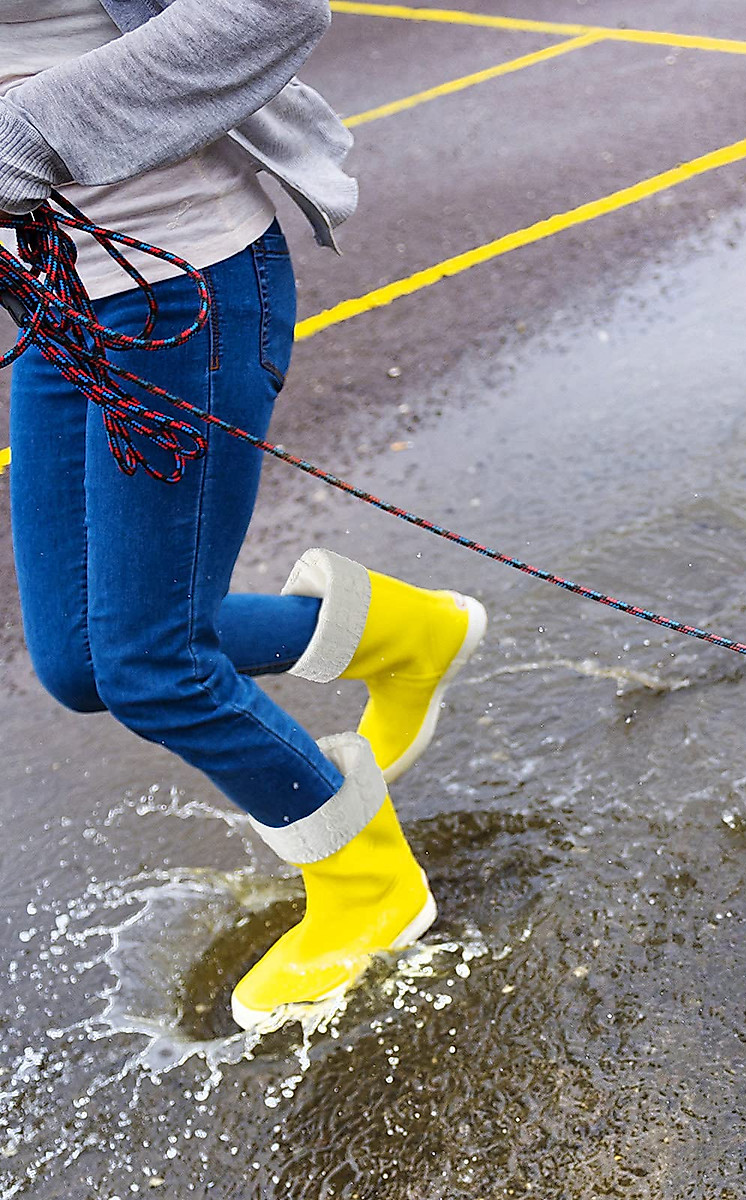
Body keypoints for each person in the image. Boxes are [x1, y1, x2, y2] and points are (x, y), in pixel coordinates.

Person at [0, 0, 486, 1030]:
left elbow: (270, 8)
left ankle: (370, 885)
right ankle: (404, 635)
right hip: (56, 294)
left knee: (151, 663)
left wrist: (24, 136)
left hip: (178, 283)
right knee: (82, 659)